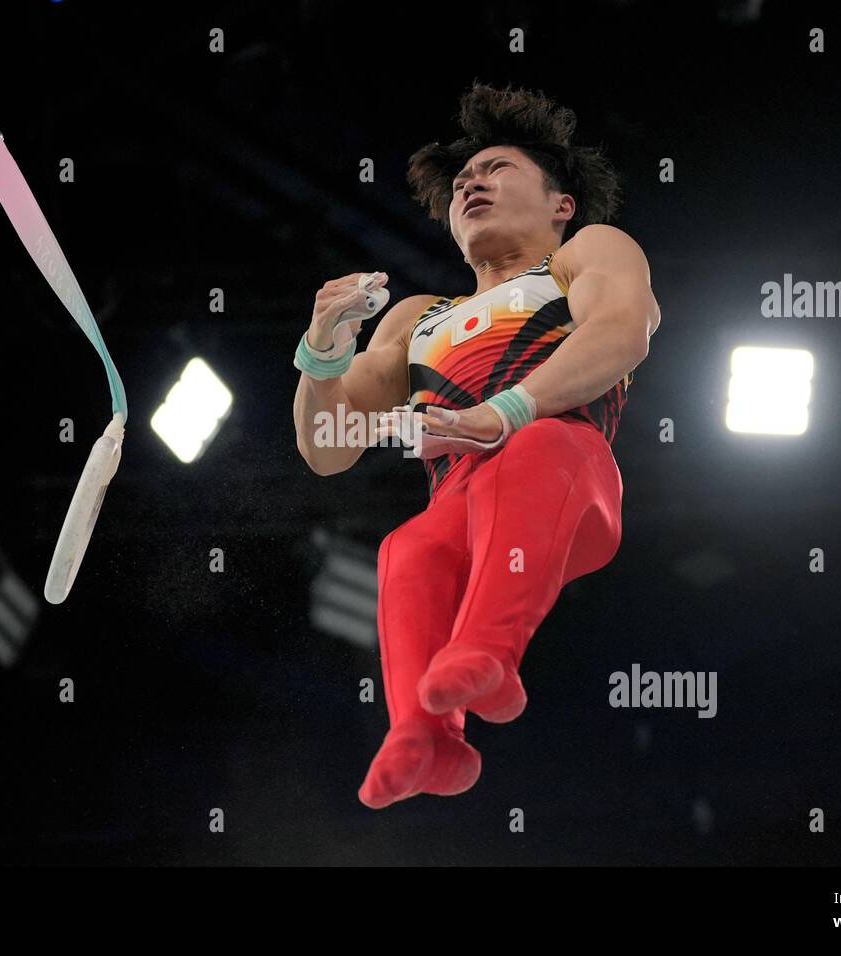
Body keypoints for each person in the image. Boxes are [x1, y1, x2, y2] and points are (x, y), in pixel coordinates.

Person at [292, 81, 661, 809]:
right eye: (462, 180)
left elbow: (624, 330)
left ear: (561, 203)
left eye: (495, 169)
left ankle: (491, 653)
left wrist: (511, 410)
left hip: (564, 469)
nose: (471, 183)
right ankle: (425, 735)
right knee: (410, 547)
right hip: (461, 504)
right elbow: (329, 447)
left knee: (528, 453)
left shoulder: (582, 255)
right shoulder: (419, 318)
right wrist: (322, 350)